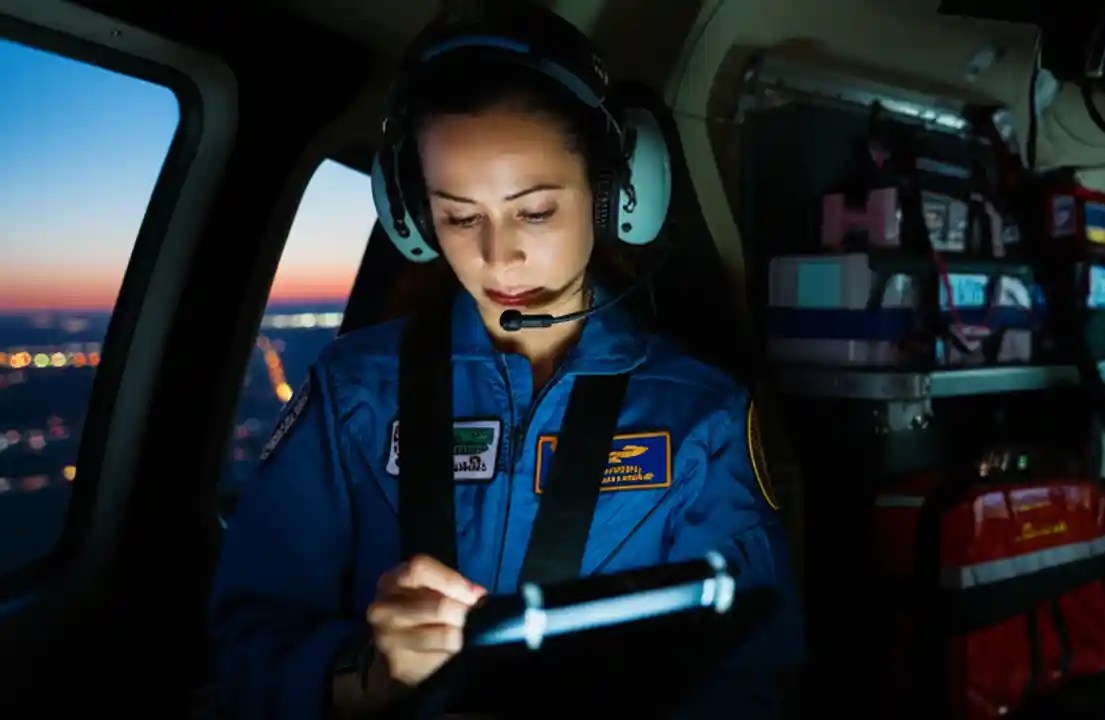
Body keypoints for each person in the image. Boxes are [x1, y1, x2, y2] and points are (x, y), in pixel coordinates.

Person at [208, 6, 804, 719]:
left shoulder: (701, 416)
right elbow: (244, 641)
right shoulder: (352, 395)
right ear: (418, 218)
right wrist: (366, 677)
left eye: (536, 211)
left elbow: (753, 672)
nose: (498, 257)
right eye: (461, 217)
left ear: (613, 195)